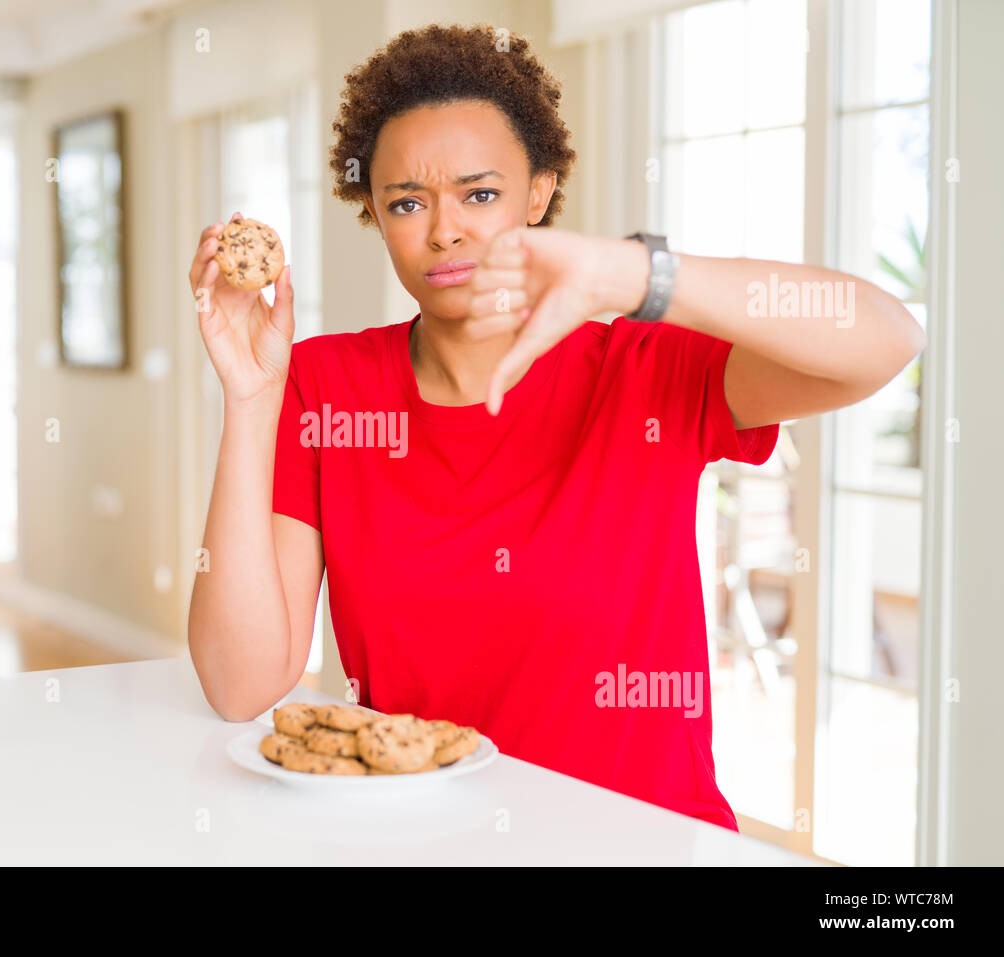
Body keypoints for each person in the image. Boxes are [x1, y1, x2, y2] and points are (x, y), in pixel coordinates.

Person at [186, 24, 925, 832]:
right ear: (375, 211)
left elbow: (887, 339)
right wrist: (252, 399)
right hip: (420, 845)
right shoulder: (327, 385)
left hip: (646, 847)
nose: (444, 231)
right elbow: (240, 683)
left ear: (538, 193)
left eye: (479, 193)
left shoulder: (643, 370)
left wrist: (637, 271)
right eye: (407, 202)